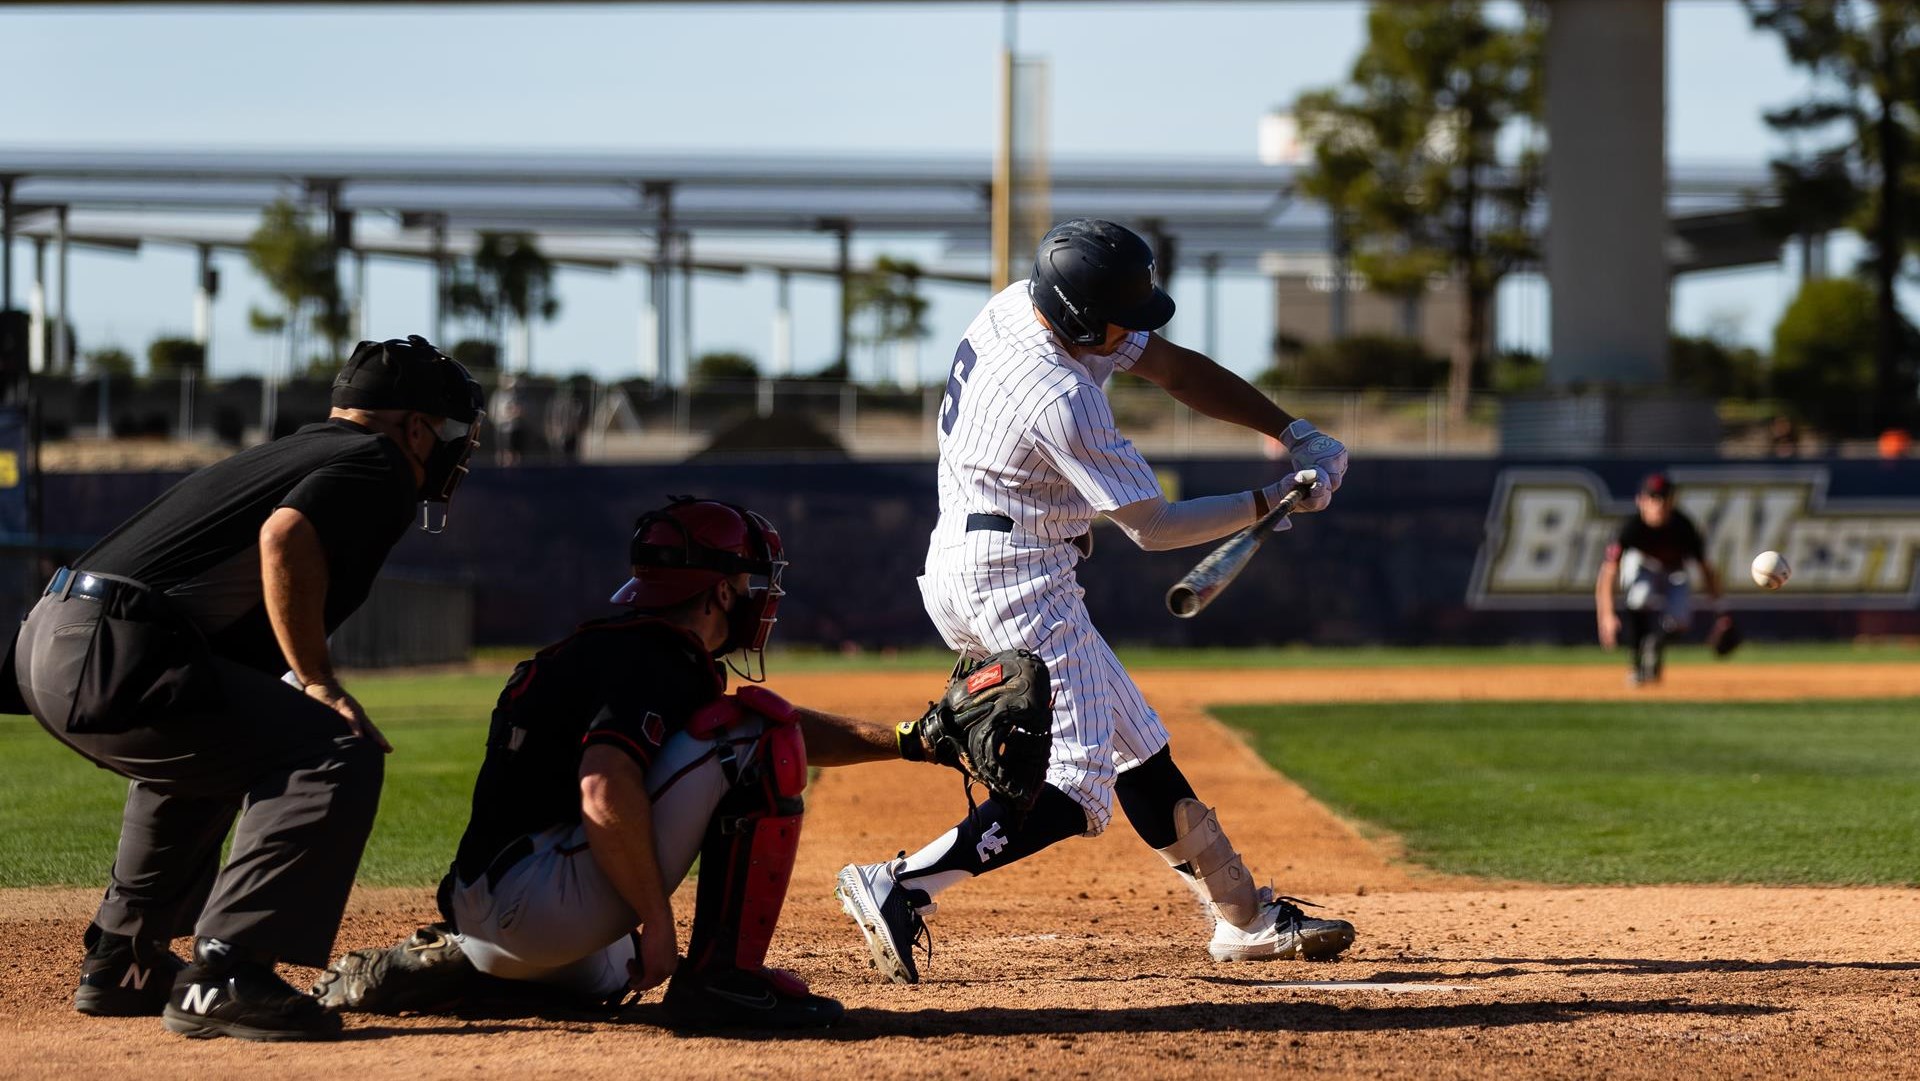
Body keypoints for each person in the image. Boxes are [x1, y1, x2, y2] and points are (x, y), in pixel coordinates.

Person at [834, 219, 1356, 986]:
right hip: (1016, 577)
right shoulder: (1062, 394)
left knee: (1137, 746)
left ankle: (1242, 918)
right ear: (1080, 315)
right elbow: (1153, 527)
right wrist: (1273, 498)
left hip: (977, 559)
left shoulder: (1024, 303)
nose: (1135, 332)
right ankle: (904, 884)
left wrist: (1291, 430)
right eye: (1123, 319)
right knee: (1077, 789)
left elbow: (1176, 369)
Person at [313, 497, 987, 1031]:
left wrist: (909, 737)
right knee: (756, 734)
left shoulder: (615, 646)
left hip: (501, 910)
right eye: (752, 581)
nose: (762, 596)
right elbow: (605, 787)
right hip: (537, 903)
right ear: (721, 593)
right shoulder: (660, 657)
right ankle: (721, 978)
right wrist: (658, 923)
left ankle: (473, 971)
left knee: (618, 969)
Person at [2, 335, 483, 1041]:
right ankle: (226, 971)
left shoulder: (296, 448)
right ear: (415, 426)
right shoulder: (377, 459)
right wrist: (318, 680)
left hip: (52, 633)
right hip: (117, 645)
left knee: (221, 749)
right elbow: (287, 537)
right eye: (449, 433)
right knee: (332, 747)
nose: (452, 451)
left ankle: (122, 959)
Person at [1595, 472, 1724, 686]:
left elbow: (1706, 569)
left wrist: (1721, 610)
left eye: (1664, 497)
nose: (1659, 504)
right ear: (1641, 500)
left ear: (1672, 500)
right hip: (1643, 566)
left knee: (1681, 621)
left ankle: (1654, 644)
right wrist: (1606, 615)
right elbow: (1608, 572)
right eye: (1653, 497)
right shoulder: (1631, 528)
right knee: (1639, 597)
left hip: (1675, 571)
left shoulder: (1684, 526)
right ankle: (1637, 666)